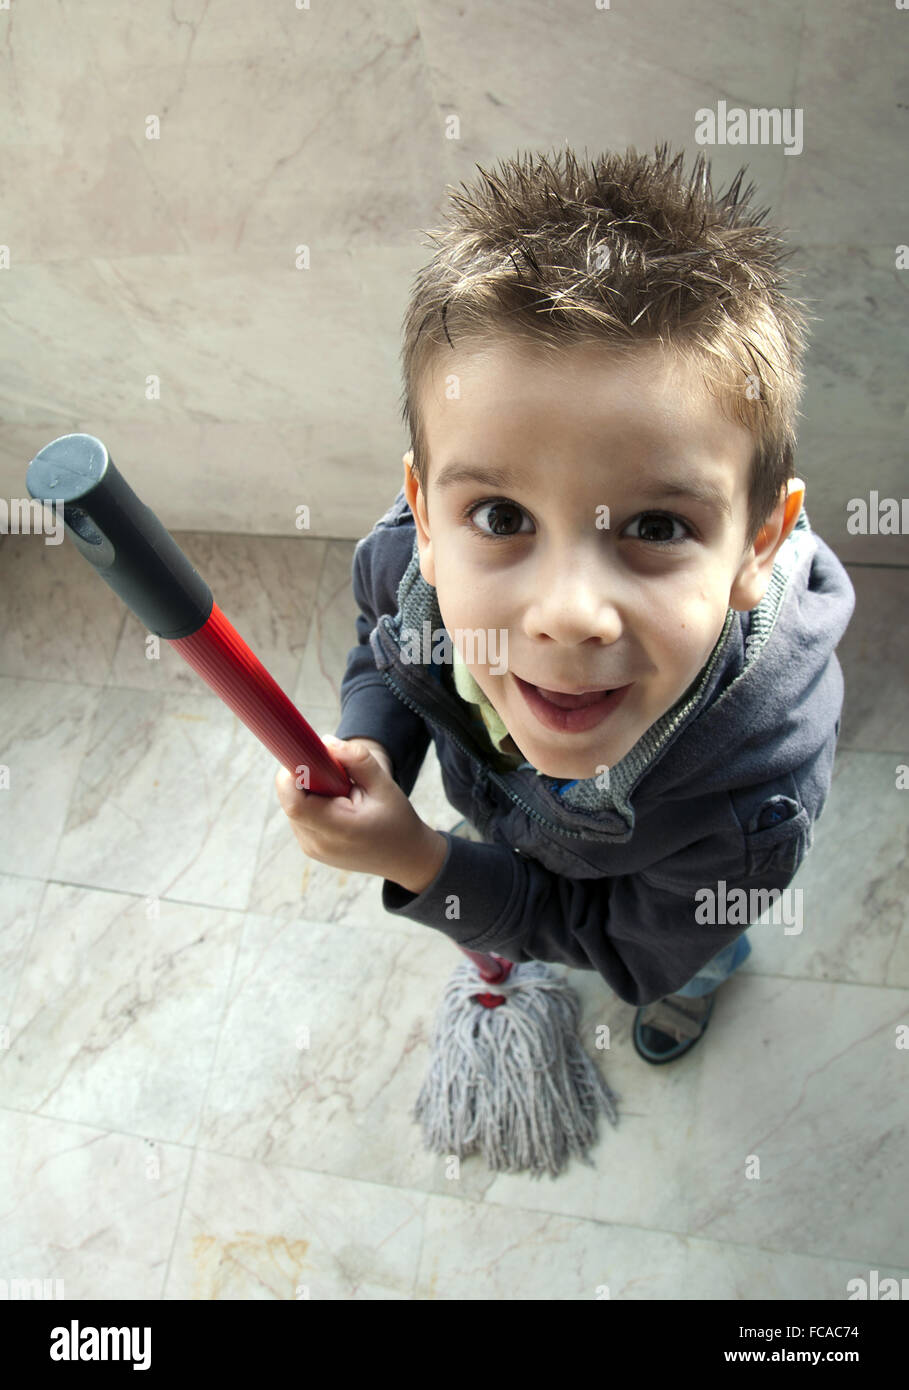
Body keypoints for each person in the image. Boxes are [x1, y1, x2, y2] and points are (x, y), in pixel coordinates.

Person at [275, 144, 855, 1065]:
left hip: (654, 904)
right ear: (425, 516)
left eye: (658, 526)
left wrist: (423, 862)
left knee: (679, 962)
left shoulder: (748, 818)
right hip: (524, 824)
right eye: (500, 515)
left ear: (756, 546)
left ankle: (700, 985)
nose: (568, 614)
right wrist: (372, 745)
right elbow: (385, 651)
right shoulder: (407, 564)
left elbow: (618, 947)